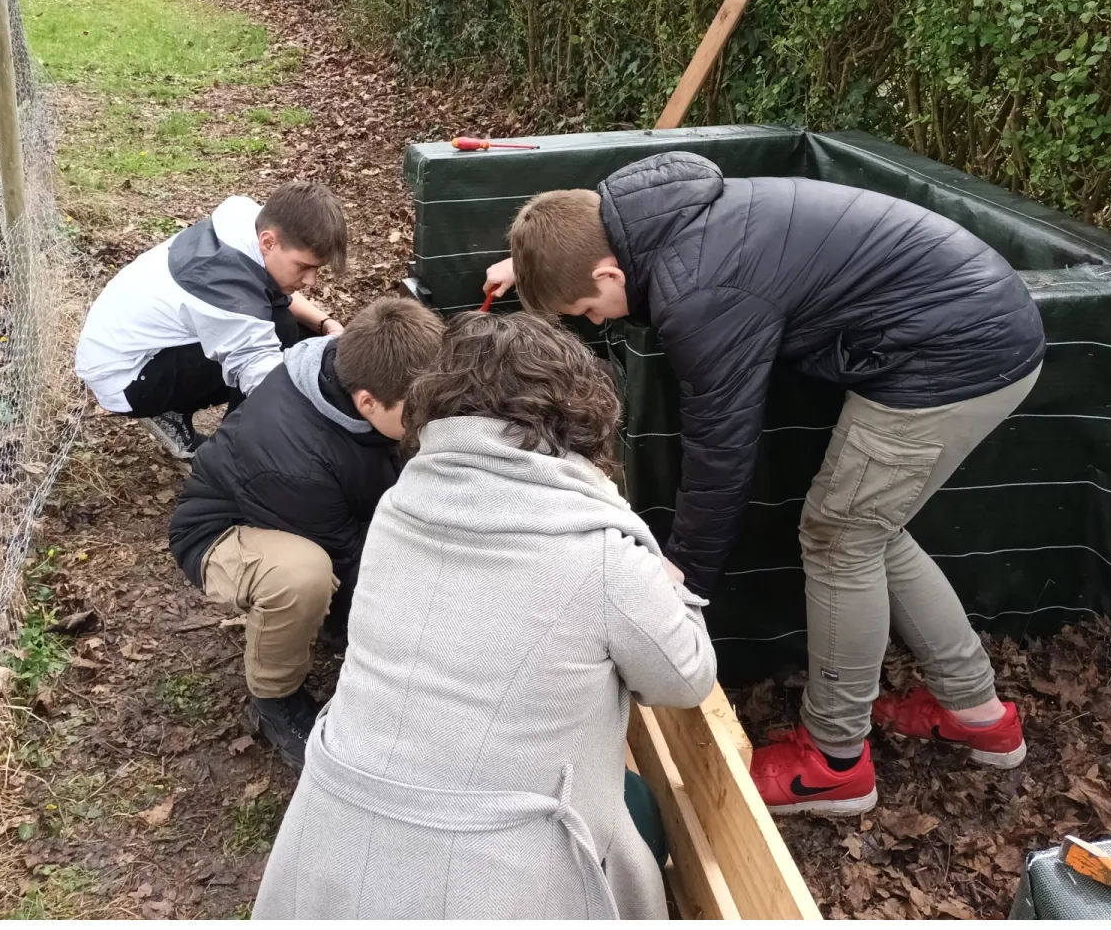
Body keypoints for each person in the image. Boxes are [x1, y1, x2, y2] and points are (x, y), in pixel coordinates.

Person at [486, 150, 1046, 817]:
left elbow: (722, 451)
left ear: (609, 272)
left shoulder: (700, 293)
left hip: (956, 353)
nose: (599, 321)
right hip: (970, 320)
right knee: (868, 529)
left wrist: (684, 573)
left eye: (589, 307)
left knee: (840, 539)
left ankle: (835, 762)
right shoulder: (646, 215)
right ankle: (976, 712)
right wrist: (533, 267)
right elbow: (582, 245)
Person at [252, 312, 717, 919]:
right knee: (640, 811)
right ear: (583, 417)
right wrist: (667, 583)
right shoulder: (601, 553)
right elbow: (686, 678)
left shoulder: (399, 507)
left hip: (333, 852)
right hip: (486, 879)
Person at [168, 297, 445, 770]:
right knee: (303, 577)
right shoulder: (294, 458)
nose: (427, 421)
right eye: (416, 413)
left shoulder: (371, 378)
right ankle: (274, 700)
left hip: (315, 513)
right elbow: (350, 560)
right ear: (367, 402)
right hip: (226, 532)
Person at [76, 182, 347, 459]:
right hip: (126, 379)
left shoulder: (249, 224)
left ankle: (176, 411)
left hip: (131, 348)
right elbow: (262, 377)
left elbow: (278, 295)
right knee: (281, 338)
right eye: (303, 267)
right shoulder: (224, 288)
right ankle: (228, 457)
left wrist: (327, 324)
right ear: (268, 242)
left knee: (290, 330)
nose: (311, 280)